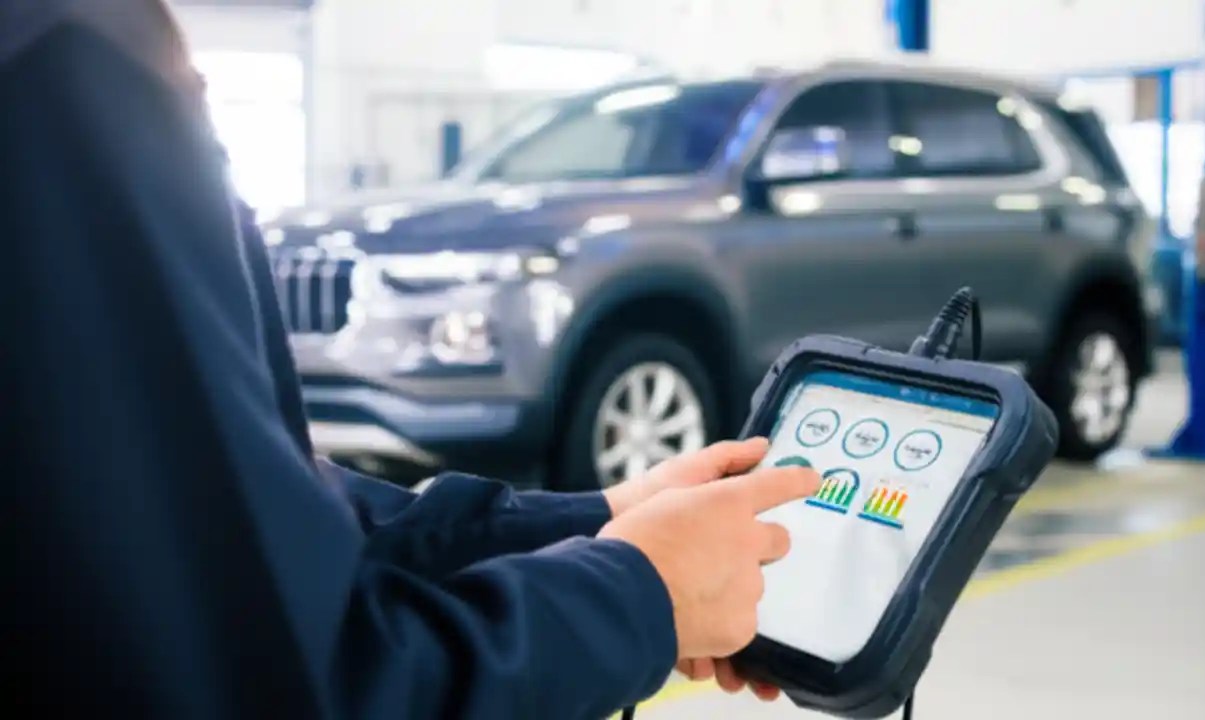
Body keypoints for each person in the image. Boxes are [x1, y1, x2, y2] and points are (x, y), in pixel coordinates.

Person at [0, 2, 822, 718]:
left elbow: (268, 522)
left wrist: (598, 517)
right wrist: (640, 594)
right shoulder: (66, 57)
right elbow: (294, 686)